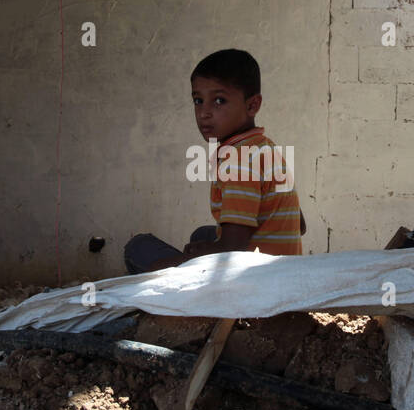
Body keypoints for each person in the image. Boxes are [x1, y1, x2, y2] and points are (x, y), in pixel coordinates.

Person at [124, 49, 304, 273]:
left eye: (219, 100)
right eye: (198, 100)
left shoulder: (238, 161)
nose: (204, 113)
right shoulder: (264, 147)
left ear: (252, 105)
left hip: (254, 283)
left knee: (138, 247)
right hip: (284, 271)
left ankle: (169, 300)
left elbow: (232, 248)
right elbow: (300, 225)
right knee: (202, 235)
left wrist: (178, 263)